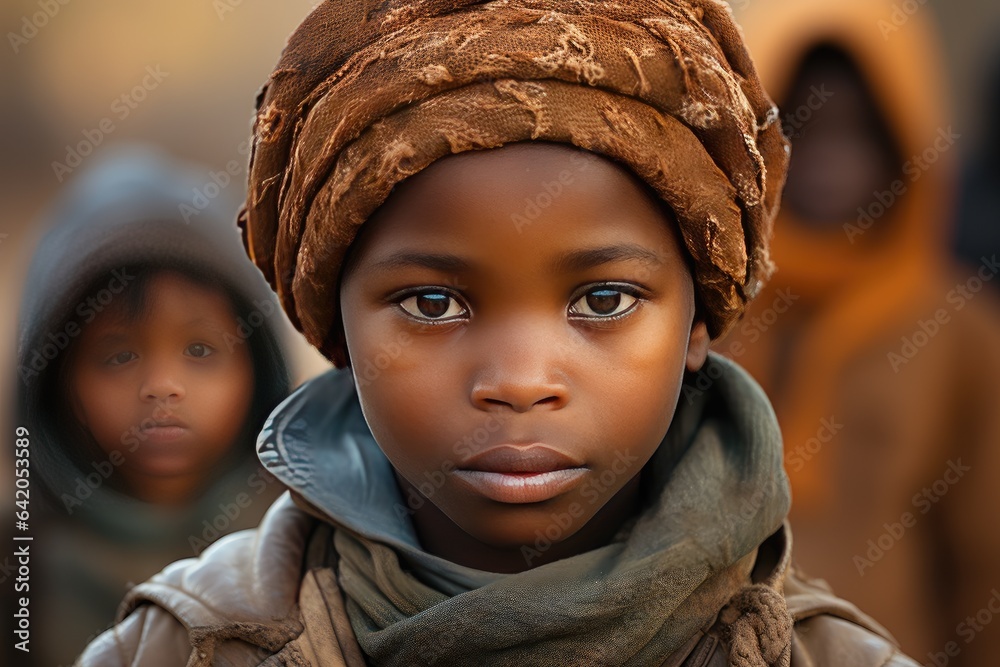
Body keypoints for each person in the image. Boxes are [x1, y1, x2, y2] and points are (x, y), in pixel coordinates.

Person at [77, 2, 919, 665]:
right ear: (335, 327)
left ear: (698, 320)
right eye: (434, 304)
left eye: (603, 299)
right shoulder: (179, 646)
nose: (520, 379)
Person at [728, 0, 1000, 663]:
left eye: (858, 134)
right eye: (801, 131)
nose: (826, 161)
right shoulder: (712, 306)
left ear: (907, 144)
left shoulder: (957, 330)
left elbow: (985, 559)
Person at [15, 145, 292, 665]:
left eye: (200, 351)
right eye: (118, 356)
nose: (162, 386)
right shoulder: (21, 556)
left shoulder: (311, 533)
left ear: (258, 367)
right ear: (56, 379)